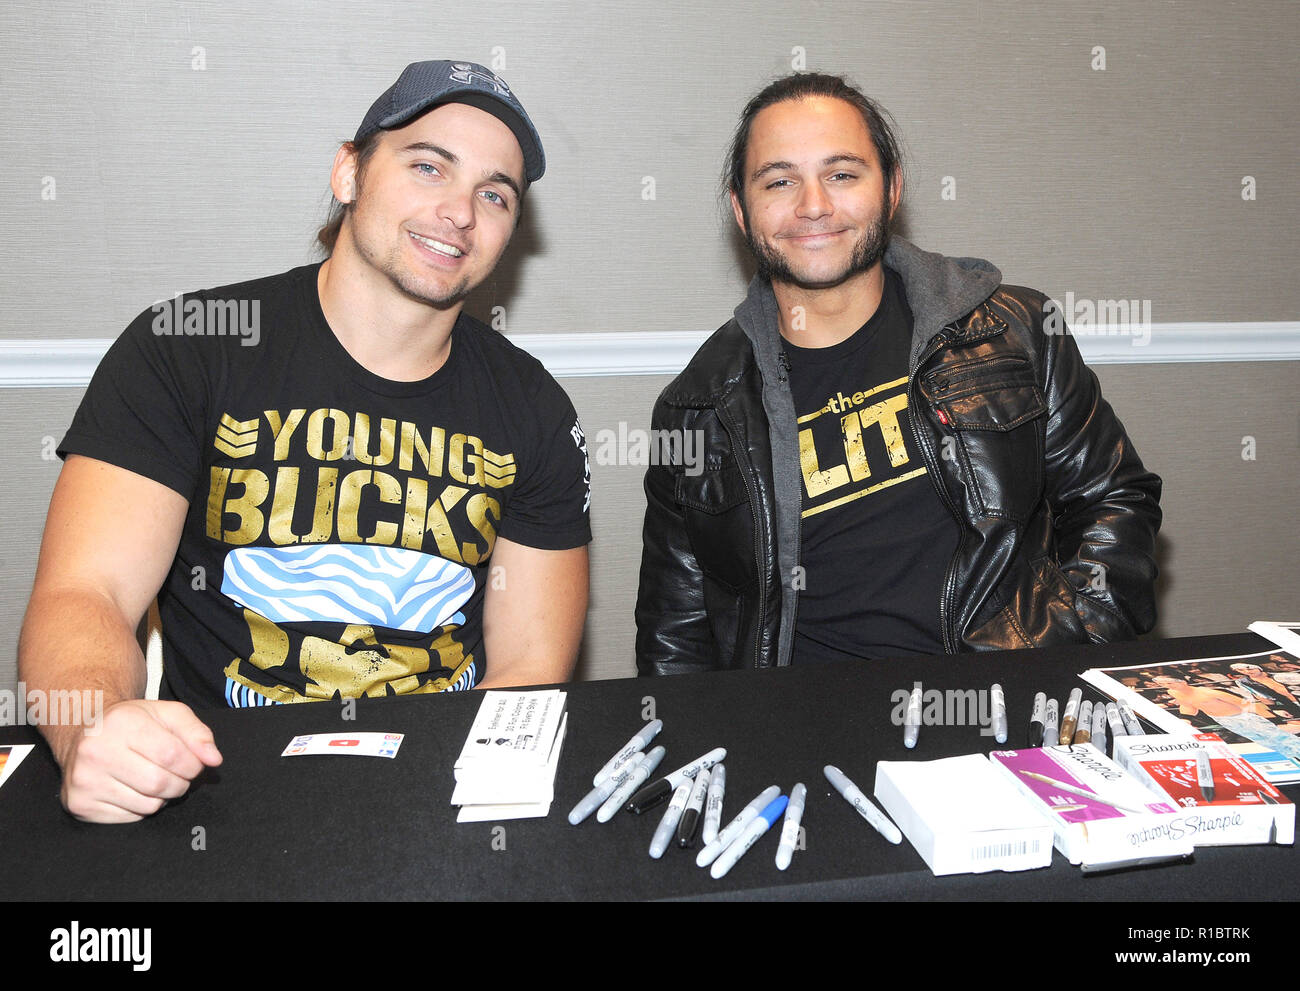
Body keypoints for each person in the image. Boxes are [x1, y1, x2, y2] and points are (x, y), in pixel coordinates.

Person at [19, 60, 592, 822]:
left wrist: (445, 816)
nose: (459, 211)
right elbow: (86, 593)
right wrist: (93, 724)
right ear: (349, 172)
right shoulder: (187, 349)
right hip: (216, 785)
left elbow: (527, 663)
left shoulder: (534, 408)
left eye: (495, 193)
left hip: (436, 790)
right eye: (428, 166)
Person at [636, 72, 1161, 675]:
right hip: (798, 727)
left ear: (891, 190)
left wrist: (1054, 659)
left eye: (842, 174)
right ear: (740, 208)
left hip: (999, 711)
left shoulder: (1014, 330)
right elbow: (675, 632)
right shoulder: (696, 409)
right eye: (780, 181)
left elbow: (1114, 499)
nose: (813, 206)